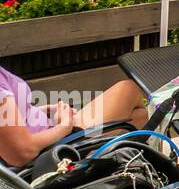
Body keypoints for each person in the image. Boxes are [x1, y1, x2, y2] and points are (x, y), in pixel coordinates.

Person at [0, 68, 148, 168]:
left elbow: (8, 125)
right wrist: (64, 126)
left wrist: (40, 112)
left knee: (137, 116)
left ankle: (104, 170)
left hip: (50, 136)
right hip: (56, 154)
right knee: (128, 89)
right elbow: (21, 152)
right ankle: (89, 172)